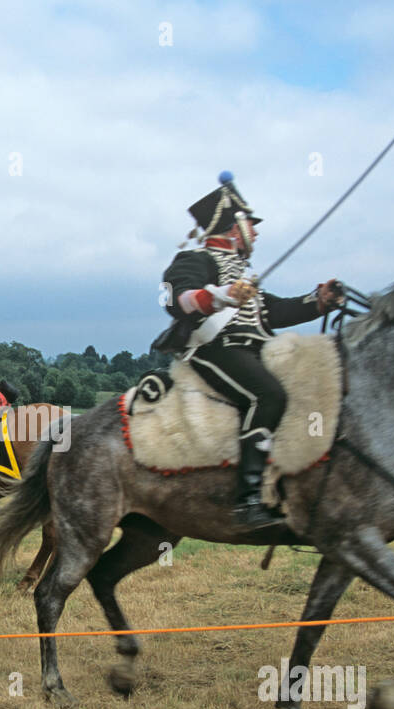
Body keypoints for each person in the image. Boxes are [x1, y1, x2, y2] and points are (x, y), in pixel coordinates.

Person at [154, 171, 345, 528]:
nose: (256, 232)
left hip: (254, 350)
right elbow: (177, 299)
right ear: (233, 227)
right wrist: (223, 295)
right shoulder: (196, 260)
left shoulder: (243, 271)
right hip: (214, 348)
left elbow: (274, 310)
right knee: (268, 396)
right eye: (251, 225)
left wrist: (318, 301)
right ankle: (248, 501)